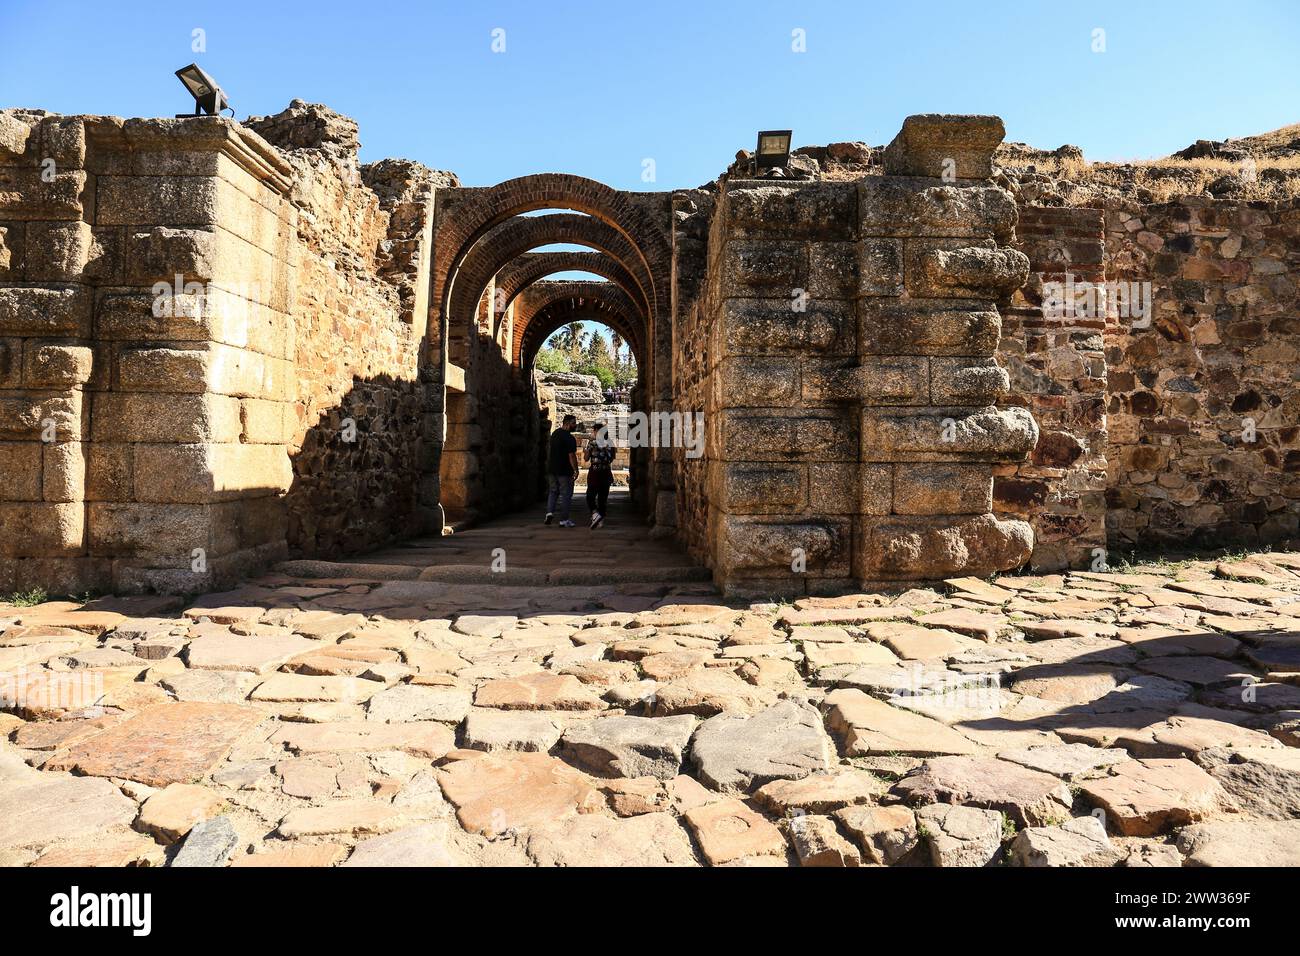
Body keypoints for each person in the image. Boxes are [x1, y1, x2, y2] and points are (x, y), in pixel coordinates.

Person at [545, 414, 579, 527]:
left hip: (552, 469)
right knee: (566, 494)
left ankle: (549, 512)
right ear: (568, 424)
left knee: (553, 492)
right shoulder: (569, 438)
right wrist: (576, 469)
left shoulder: (554, 434)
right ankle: (564, 520)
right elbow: (571, 456)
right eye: (574, 423)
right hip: (564, 471)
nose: (576, 425)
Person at [584, 422, 615, 528]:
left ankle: (595, 513)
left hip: (595, 472)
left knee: (590, 496)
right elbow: (611, 458)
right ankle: (601, 519)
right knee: (603, 498)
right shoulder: (610, 443)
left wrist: (586, 451)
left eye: (594, 430)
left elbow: (586, 458)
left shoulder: (592, 443)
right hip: (606, 472)